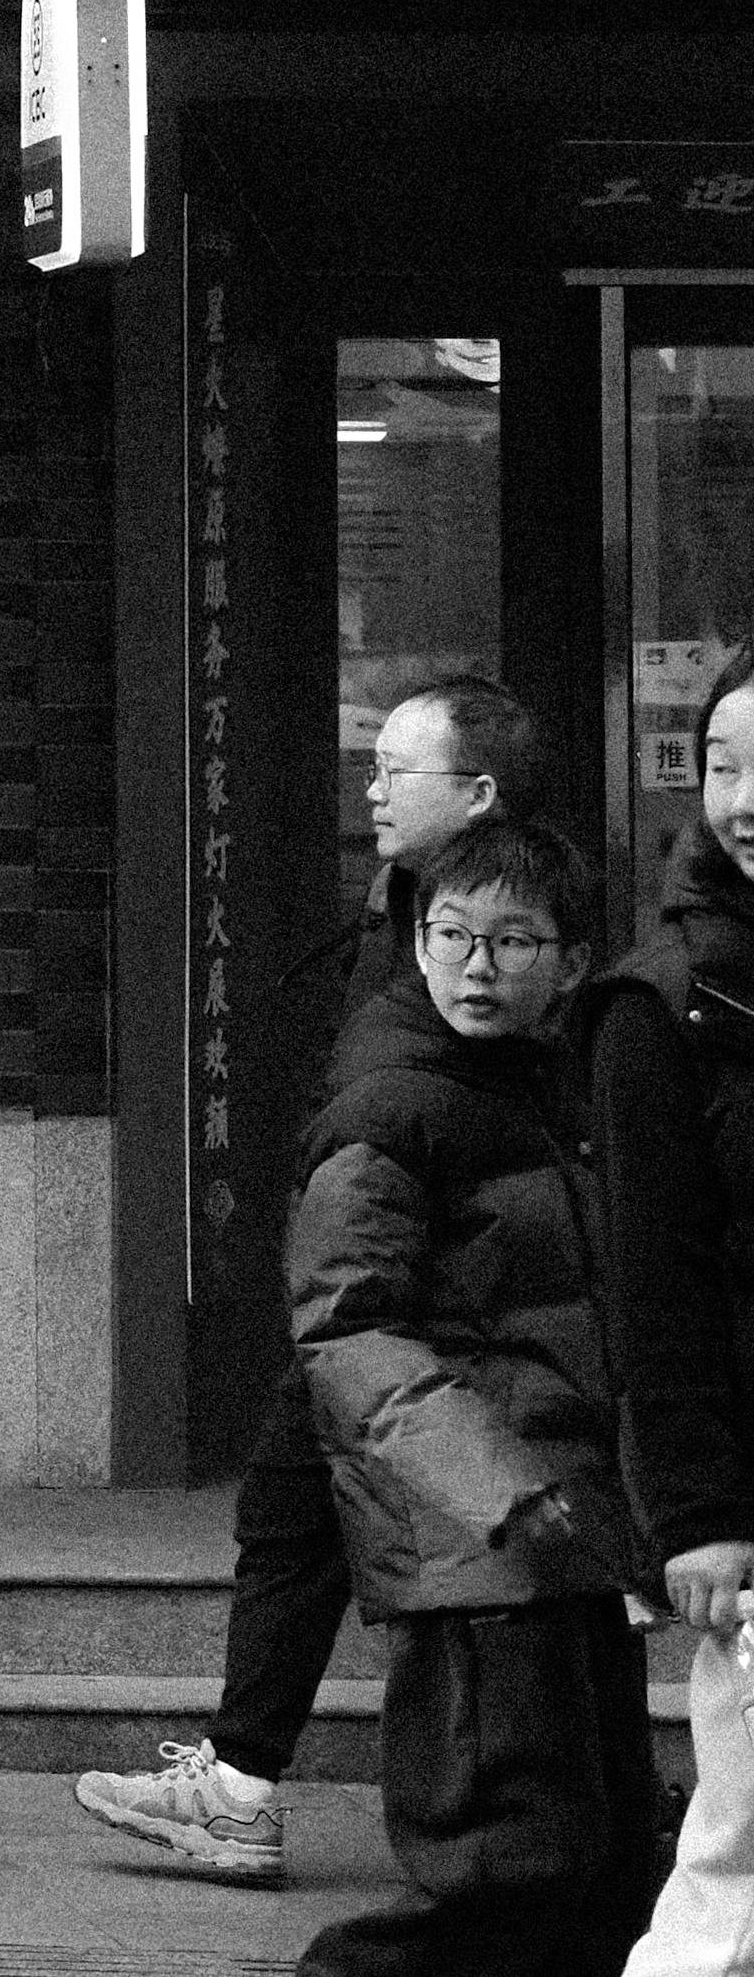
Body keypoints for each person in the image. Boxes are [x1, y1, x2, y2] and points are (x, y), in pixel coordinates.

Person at [82, 672, 538, 1881]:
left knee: (430, 1546)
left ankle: (273, 1788)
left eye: (401, 769)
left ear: (480, 791)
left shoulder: (497, 930)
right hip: (369, 1286)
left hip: (432, 1298)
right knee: (297, 1510)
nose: (374, 789)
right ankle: (243, 1779)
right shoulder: (405, 912)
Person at [277, 816, 660, 1975]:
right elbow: (349, 1328)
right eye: (450, 936)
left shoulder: (554, 1085)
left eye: (511, 940)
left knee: (601, 1867)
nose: (477, 967)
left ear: (573, 958)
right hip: (479, 1546)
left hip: (569, 1531)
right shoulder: (390, 1104)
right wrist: (499, 1492)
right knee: (507, 1866)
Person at [597, 662, 754, 1973]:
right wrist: (696, 1513)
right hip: (745, 1490)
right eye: (723, 765)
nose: (745, 798)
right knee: (734, 1865)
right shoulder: (668, 1003)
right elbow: (662, 1286)